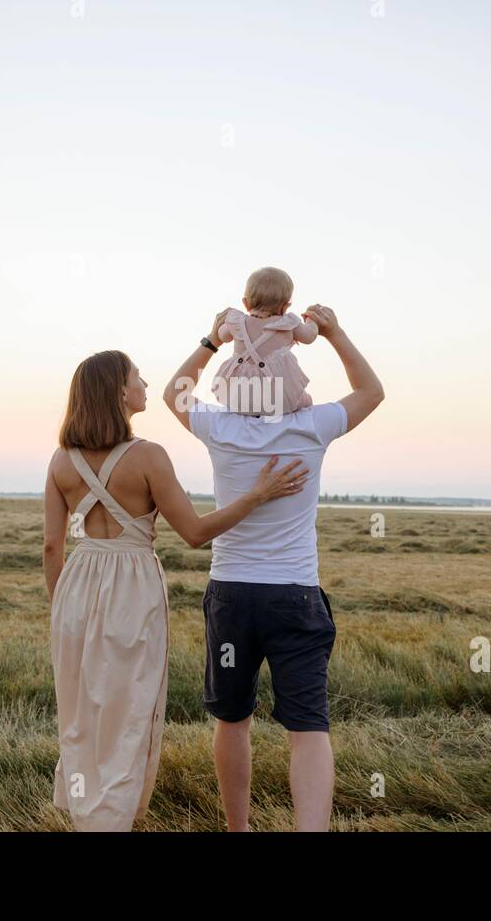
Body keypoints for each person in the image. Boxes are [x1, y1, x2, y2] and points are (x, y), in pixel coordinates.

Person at [42, 349, 310, 831]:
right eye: (137, 377)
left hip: (75, 587)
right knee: (129, 712)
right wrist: (257, 495)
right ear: (119, 393)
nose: (145, 383)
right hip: (131, 587)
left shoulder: (61, 461)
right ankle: (109, 820)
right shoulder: (147, 456)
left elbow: (50, 546)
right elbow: (195, 532)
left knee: (82, 710)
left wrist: (60, 608)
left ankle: (87, 811)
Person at [162, 304, 385, 831]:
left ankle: (237, 829)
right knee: (308, 727)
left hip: (234, 596)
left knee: (232, 720)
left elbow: (174, 390)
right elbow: (371, 392)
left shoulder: (220, 428)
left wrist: (213, 339)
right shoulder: (312, 426)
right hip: (295, 597)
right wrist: (332, 332)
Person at [209, 266, 318, 417]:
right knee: (304, 400)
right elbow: (309, 337)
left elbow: (222, 336)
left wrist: (222, 326)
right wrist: (312, 320)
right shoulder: (289, 323)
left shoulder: (237, 321)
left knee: (238, 398)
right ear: (285, 306)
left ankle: (246, 411)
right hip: (280, 397)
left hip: (240, 397)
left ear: (245, 303)